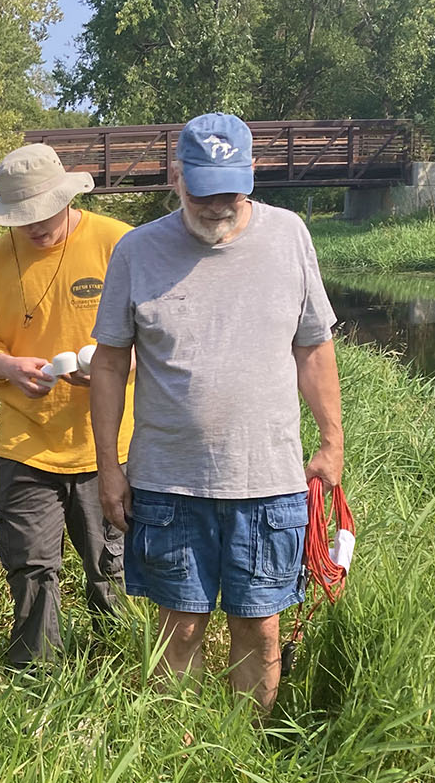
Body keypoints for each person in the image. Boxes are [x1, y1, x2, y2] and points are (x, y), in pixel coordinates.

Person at [88, 112, 342, 709]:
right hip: (168, 482)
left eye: (229, 191)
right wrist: (108, 466)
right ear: (176, 177)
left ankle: (243, 751)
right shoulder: (137, 250)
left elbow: (313, 345)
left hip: (269, 482)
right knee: (179, 628)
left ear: (252, 173)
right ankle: (180, 759)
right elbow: (108, 363)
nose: (216, 205)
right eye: (202, 191)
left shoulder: (290, 236)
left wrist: (331, 443)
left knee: (260, 627)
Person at [0, 144, 134, 667]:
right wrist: (6, 366)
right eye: (22, 218)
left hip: (108, 446)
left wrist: (108, 374)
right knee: (32, 568)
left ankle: (122, 669)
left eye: (43, 212)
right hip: (25, 443)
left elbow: (157, 336)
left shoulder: (117, 243)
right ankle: (36, 681)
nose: (34, 227)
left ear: (66, 197)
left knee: (113, 571)